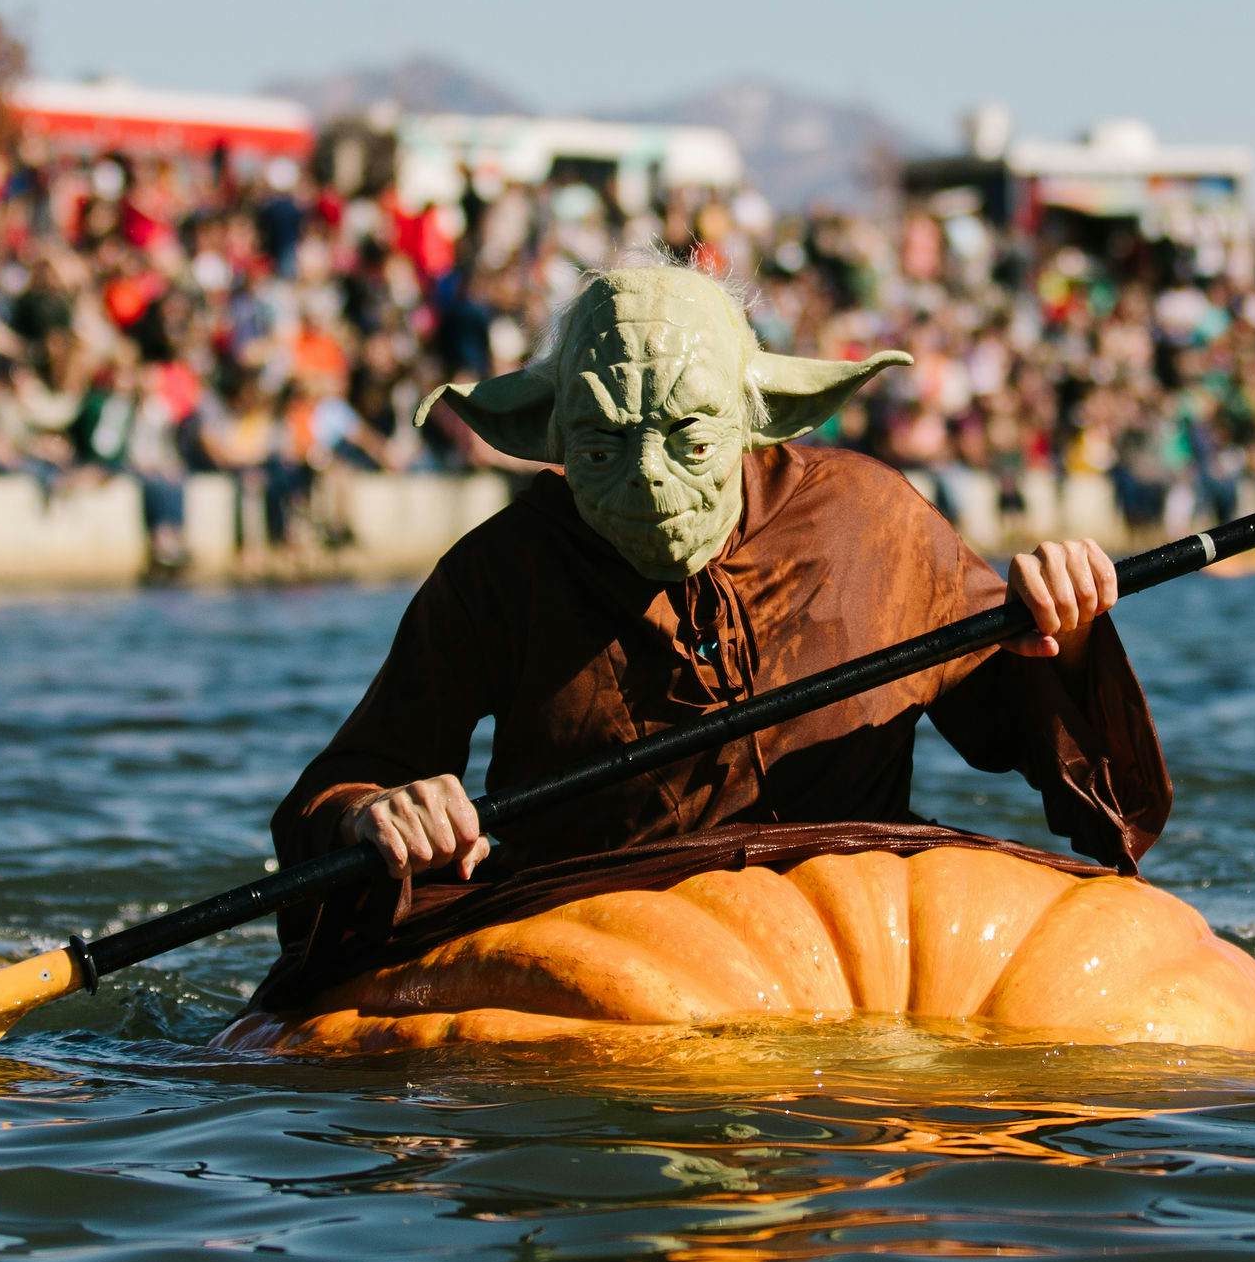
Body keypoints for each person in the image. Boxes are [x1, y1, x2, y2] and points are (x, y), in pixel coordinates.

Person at [271, 265, 1163, 917]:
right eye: (602, 447)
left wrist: (1069, 626)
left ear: (756, 414)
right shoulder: (499, 575)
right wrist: (376, 815)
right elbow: (352, 780)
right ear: (547, 434)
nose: (648, 482)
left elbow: (1053, 753)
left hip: (867, 922)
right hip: (598, 939)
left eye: (689, 441)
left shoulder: (870, 517)